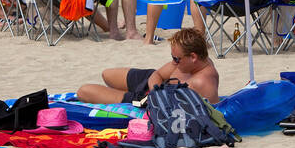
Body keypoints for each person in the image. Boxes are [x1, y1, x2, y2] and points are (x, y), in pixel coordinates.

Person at [77, 27, 218, 104]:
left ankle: (121, 95)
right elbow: (157, 74)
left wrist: (155, 95)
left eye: (176, 58)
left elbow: (210, 113)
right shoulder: (189, 63)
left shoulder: (203, 81)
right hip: (153, 83)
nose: (174, 61)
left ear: (193, 57)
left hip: (145, 98)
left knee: (83, 91)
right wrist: (155, 88)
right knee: (106, 74)